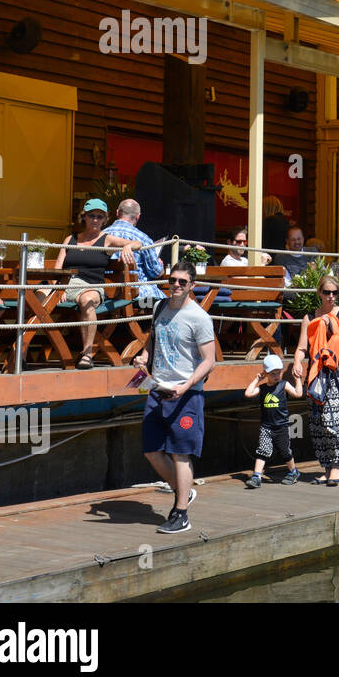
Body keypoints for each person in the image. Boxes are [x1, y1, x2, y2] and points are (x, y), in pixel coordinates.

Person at [132, 261, 215, 534]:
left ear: (192, 285)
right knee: (151, 450)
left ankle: (181, 513)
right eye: (172, 280)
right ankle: (184, 490)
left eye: (182, 282)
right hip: (157, 388)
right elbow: (152, 339)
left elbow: (209, 361)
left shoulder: (199, 318)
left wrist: (187, 384)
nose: (176, 286)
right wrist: (144, 357)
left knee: (181, 453)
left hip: (186, 394)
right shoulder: (159, 308)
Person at [54, 198, 142, 369]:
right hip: (66, 285)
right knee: (37, 295)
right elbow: (58, 268)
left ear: (105, 219)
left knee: (86, 300)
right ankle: (20, 354)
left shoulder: (107, 239)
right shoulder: (69, 239)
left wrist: (127, 247)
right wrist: (57, 288)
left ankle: (86, 354)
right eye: (92, 215)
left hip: (92, 287)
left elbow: (138, 243)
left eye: (100, 217)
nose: (95, 220)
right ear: (84, 217)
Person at [292, 275, 339, 485]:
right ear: (319, 293)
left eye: (334, 293)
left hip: (338, 374)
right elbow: (302, 347)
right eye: (327, 292)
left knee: (330, 419)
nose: (331, 297)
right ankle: (327, 466)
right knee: (317, 423)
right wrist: (297, 362)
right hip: (316, 374)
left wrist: (332, 327)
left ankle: (336, 465)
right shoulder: (310, 318)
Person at [244, 354, 302, 488]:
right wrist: (257, 379)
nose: (277, 376)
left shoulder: (283, 385)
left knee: (285, 451)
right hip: (267, 426)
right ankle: (256, 476)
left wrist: (297, 379)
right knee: (262, 450)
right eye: (273, 374)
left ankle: (293, 471)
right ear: (266, 373)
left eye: (279, 373)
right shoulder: (263, 388)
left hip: (281, 426)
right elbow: (248, 393)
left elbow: (298, 394)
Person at [104, 198, 164, 300]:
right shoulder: (143, 239)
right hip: (135, 295)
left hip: (106, 293)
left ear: (117, 213)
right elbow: (156, 272)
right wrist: (161, 266)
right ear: (138, 216)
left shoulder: (101, 237)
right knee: (166, 302)